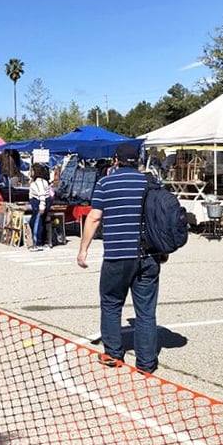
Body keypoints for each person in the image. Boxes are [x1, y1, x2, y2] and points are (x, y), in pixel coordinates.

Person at [76, 145, 161, 373]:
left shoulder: (105, 183)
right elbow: (159, 216)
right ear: (138, 161)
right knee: (145, 310)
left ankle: (113, 354)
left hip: (117, 255)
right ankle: (146, 363)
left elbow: (94, 218)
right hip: (148, 254)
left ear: (116, 161)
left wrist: (83, 249)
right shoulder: (150, 183)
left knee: (112, 303)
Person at [28, 163, 51, 250]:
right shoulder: (38, 181)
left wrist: (42, 206)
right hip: (37, 203)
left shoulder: (39, 182)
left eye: (32, 171)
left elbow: (41, 194)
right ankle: (42, 241)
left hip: (39, 203)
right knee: (38, 222)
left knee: (37, 223)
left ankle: (37, 243)